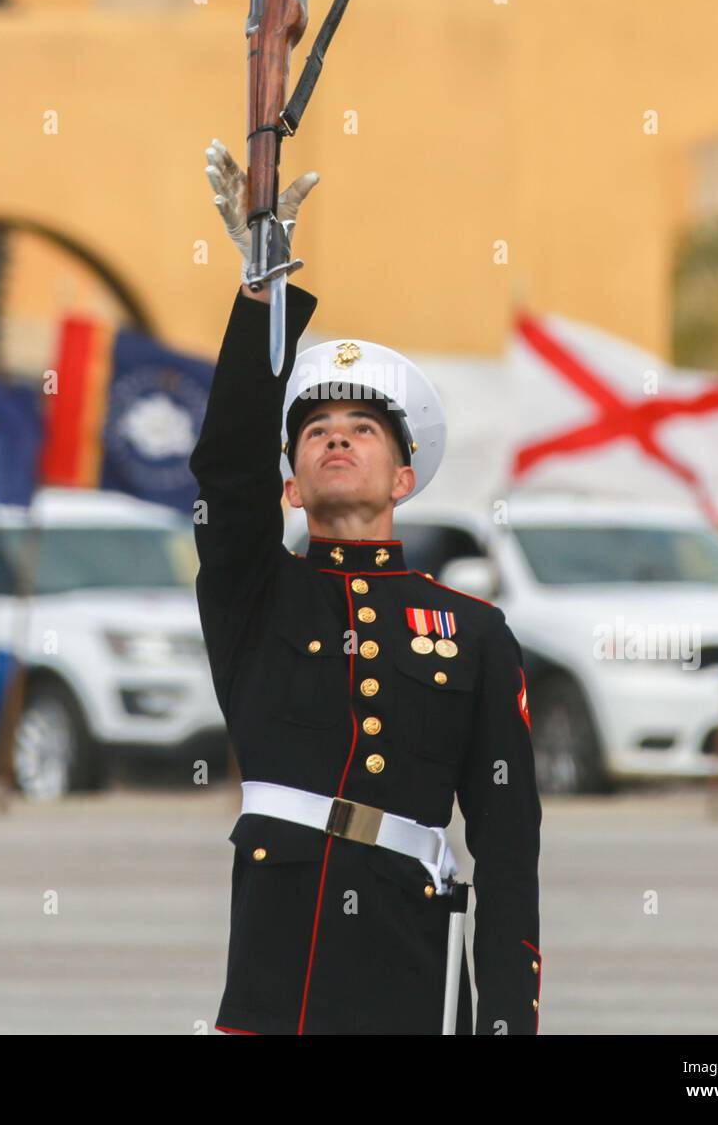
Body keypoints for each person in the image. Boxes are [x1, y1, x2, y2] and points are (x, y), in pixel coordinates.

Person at [189, 139, 542, 1035]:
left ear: (400, 479)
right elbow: (226, 470)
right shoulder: (255, 597)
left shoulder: (473, 631)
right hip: (273, 965)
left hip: (405, 956)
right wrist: (259, 293)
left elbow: (506, 852)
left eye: (361, 429)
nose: (334, 440)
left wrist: (505, 1022)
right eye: (312, 433)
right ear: (290, 485)